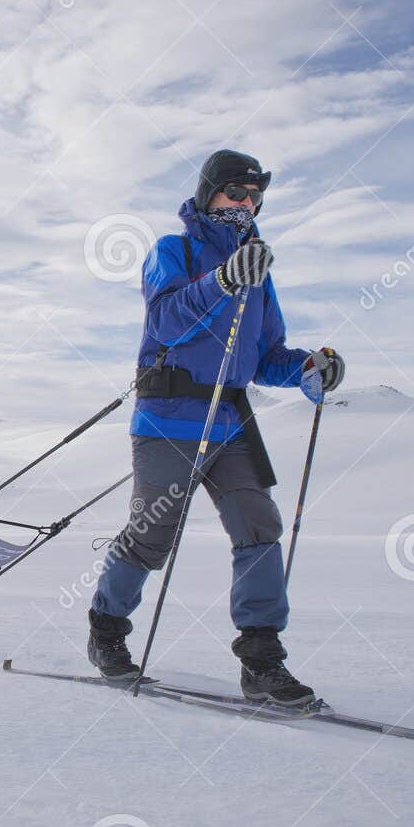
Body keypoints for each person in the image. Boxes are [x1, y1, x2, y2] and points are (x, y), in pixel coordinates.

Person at [84, 150, 346, 705]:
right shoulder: (172, 251)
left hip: (229, 422)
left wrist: (307, 368)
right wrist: (224, 280)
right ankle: (106, 631)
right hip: (168, 420)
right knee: (152, 538)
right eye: (235, 194)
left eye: (255, 198)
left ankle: (261, 660)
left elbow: (265, 354)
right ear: (209, 195)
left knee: (259, 528)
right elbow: (166, 319)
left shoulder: (259, 271)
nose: (246, 206)